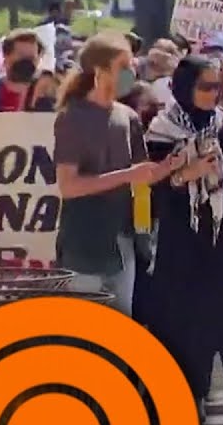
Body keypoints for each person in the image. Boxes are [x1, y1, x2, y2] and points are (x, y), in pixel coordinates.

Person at [145, 55, 223, 425]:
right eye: (206, 87)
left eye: (218, 87)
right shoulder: (161, 130)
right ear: (185, 88)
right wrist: (185, 175)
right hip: (181, 241)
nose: (214, 94)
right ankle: (186, 405)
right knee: (183, 327)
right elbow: (154, 188)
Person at [53, 32, 177, 317]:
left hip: (122, 242)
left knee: (120, 329)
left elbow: (141, 174)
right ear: (100, 71)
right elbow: (69, 186)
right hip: (84, 243)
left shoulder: (127, 116)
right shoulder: (73, 117)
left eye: (132, 64)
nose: (131, 71)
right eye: (123, 65)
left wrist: (171, 166)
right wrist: (127, 175)